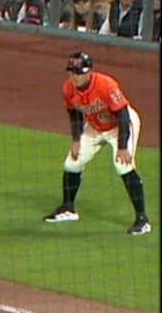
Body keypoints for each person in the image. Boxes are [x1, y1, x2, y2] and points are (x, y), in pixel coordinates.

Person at [44, 52, 149, 235]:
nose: (74, 76)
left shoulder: (107, 85)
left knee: (123, 166)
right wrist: (76, 140)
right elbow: (74, 114)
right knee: (72, 162)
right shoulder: (68, 88)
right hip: (95, 126)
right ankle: (68, 208)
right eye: (72, 72)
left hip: (120, 125)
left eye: (78, 72)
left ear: (88, 72)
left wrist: (123, 146)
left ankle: (142, 219)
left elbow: (123, 115)